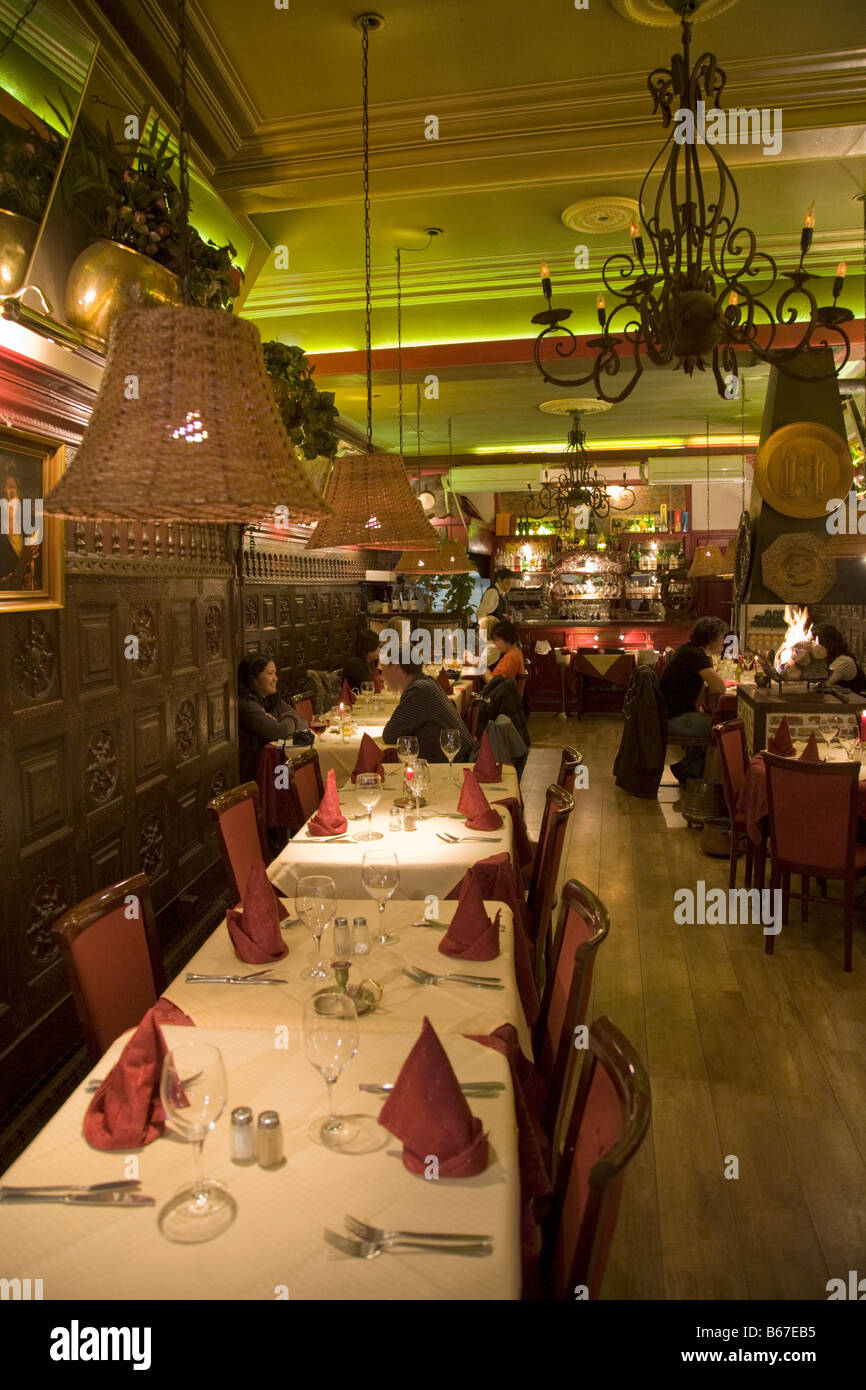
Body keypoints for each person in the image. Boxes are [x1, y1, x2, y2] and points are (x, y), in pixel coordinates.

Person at [659, 616, 728, 787]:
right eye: (722, 637)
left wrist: (704, 691)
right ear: (711, 638)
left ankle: (687, 769)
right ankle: (718, 782)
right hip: (674, 720)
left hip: (669, 714)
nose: (724, 641)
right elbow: (720, 687)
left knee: (716, 720)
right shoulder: (695, 655)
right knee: (725, 727)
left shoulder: (689, 650)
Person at [381, 658, 474, 763]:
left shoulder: (419, 690)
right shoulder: (426, 682)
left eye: (384, 668)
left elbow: (389, 735)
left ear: (396, 667)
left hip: (455, 763)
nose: (382, 676)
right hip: (456, 758)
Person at [237, 653, 310, 783]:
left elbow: (303, 721)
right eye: (270, 673)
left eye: (275, 673)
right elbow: (280, 733)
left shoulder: (272, 697)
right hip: (257, 771)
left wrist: (284, 718)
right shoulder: (246, 705)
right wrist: (286, 723)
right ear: (253, 679)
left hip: (277, 764)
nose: (276, 678)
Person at [813, 623, 866, 695]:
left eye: (815, 642)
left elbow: (822, 685)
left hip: (854, 700)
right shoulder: (830, 657)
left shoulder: (843, 661)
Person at [481, 619, 526, 685]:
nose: (495, 644)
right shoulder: (516, 652)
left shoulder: (511, 658)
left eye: (497, 640)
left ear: (508, 638)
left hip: (498, 691)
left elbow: (493, 684)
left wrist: (482, 665)